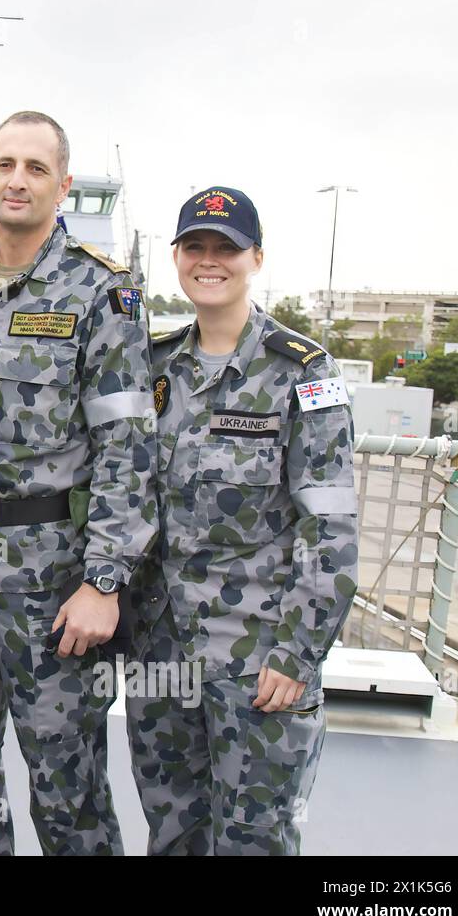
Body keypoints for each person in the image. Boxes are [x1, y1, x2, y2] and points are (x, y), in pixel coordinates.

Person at [0, 111, 159, 855]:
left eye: (36, 168)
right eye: (6, 165)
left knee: (66, 785)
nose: (17, 179)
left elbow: (127, 446)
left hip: (50, 582)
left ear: (62, 185)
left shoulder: (99, 292)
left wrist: (104, 582)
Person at [125, 187, 358, 855]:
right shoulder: (156, 366)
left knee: (254, 837)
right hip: (162, 652)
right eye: (195, 246)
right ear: (176, 257)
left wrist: (295, 652)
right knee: (172, 829)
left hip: (259, 655)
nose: (209, 260)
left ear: (255, 258)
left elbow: (330, 529)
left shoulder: (302, 373)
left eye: (225, 248)